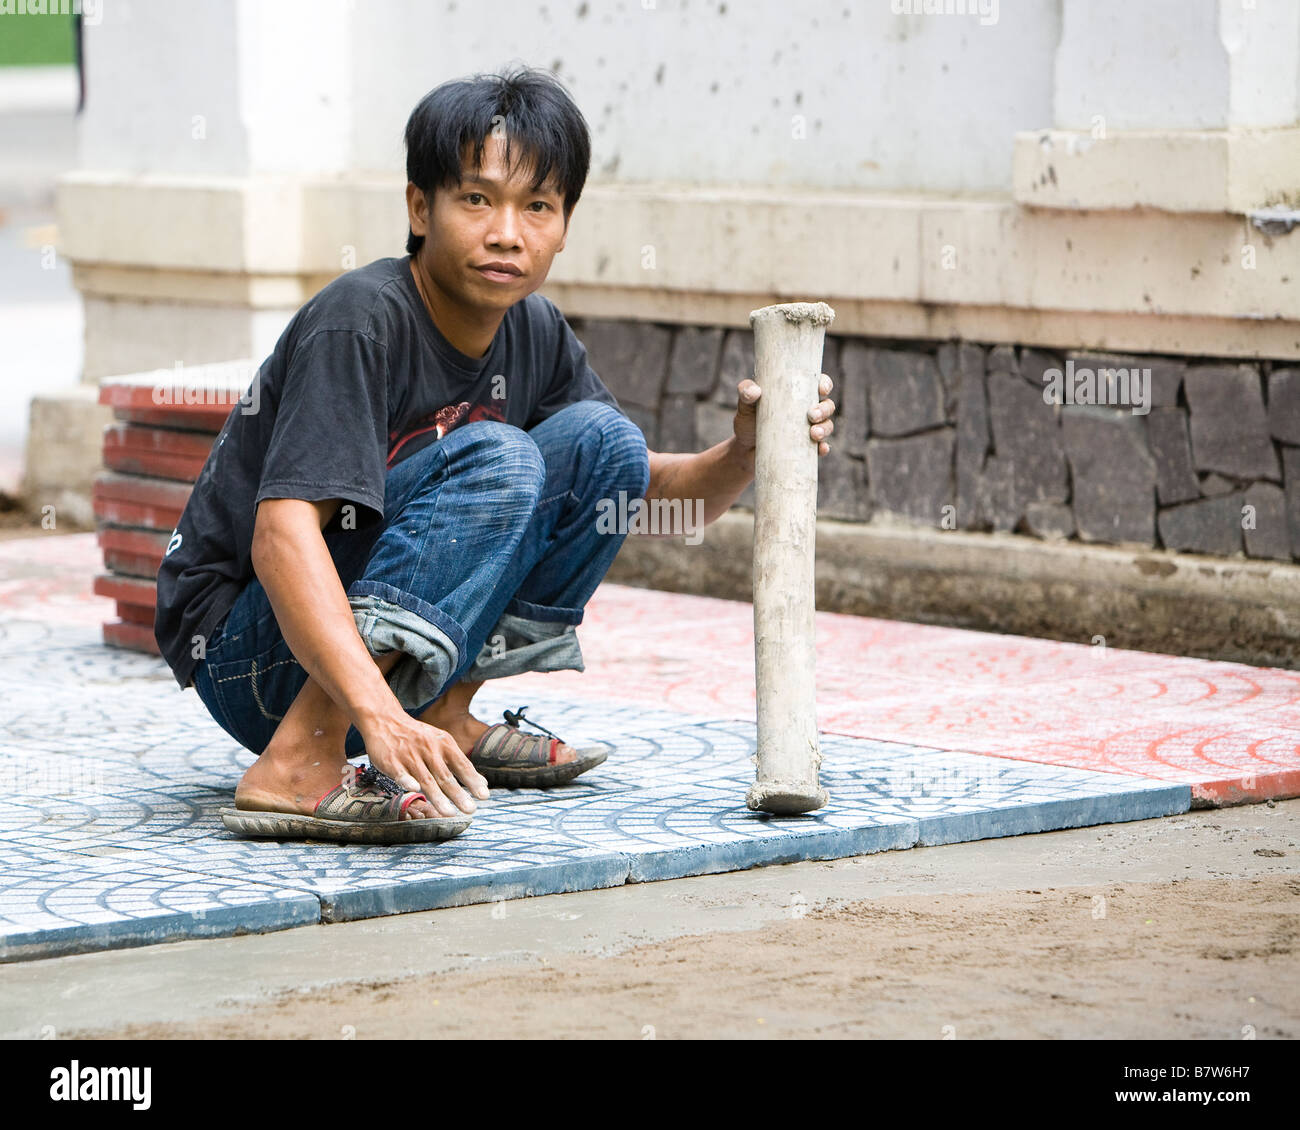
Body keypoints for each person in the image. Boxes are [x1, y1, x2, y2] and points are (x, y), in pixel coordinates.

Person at [153, 64, 838, 844]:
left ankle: (444, 711)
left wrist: (746, 453)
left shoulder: (534, 330)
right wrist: (376, 717)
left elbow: (636, 500)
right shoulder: (361, 321)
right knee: (499, 458)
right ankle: (299, 760)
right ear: (420, 206)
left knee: (601, 444)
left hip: (359, 654)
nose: (507, 232)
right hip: (251, 653)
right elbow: (281, 536)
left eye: (537, 206)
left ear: (565, 223)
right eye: (477, 199)